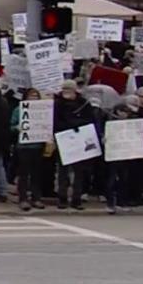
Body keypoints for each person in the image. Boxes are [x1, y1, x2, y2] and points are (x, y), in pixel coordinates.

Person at [54, 80, 96, 211]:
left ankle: (76, 199)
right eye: (65, 90)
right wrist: (71, 125)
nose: (67, 93)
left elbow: (91, 120)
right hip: (64, 139)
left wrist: (77, 124)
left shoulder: (83, 104)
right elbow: (55, 121)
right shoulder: (58, 104)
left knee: (79, 171)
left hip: (80, 139)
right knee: (63, 171)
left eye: (69, 90)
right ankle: (62, 197)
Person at [11, 88, 47, 211]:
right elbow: (11, 125)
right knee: (24, 174)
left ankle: (36, 198)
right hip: (24, 146)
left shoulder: (44, 110)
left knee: (37, 174)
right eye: (31, 95)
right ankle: (23, 199)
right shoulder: (19, 109)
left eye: (36, 96)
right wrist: (17, 128)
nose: (34, 98)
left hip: (38, 145)